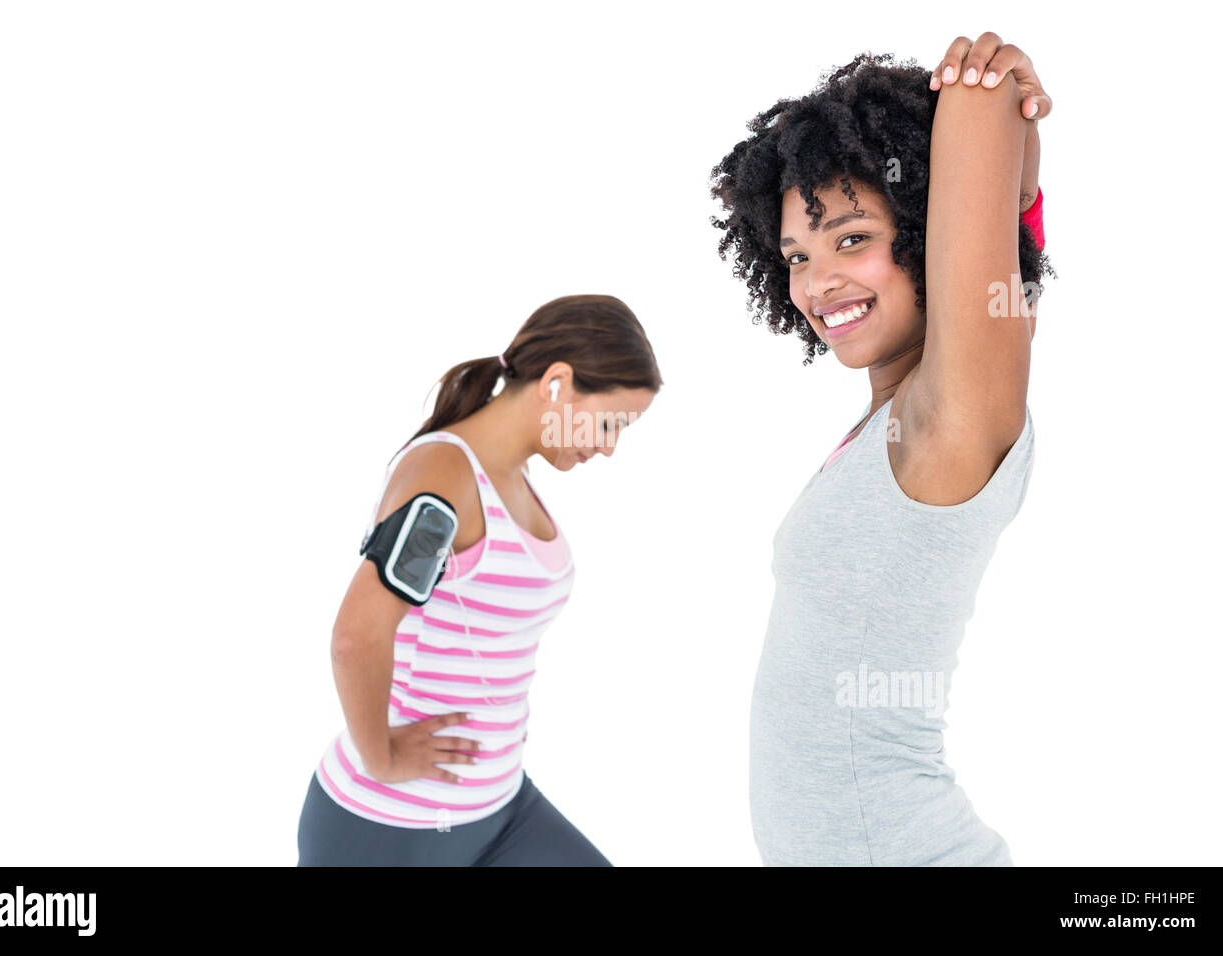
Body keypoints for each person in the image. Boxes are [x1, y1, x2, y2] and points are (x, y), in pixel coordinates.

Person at [709, 34, 1055, 865]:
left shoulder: (947, 420)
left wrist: (987, 85)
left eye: (853, 239)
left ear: (930, 232)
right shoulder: (886, 427)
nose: (817, 282)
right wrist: (1026, 176)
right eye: (797, 255)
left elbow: (980, 137)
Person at [297, 294, 661, 865]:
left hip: (503, 811)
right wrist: (382, 758)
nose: (609, 446)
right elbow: (356, 636)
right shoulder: (445, 479)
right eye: (610, 421)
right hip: (394, 828)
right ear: (558, 383)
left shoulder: (507, 475)